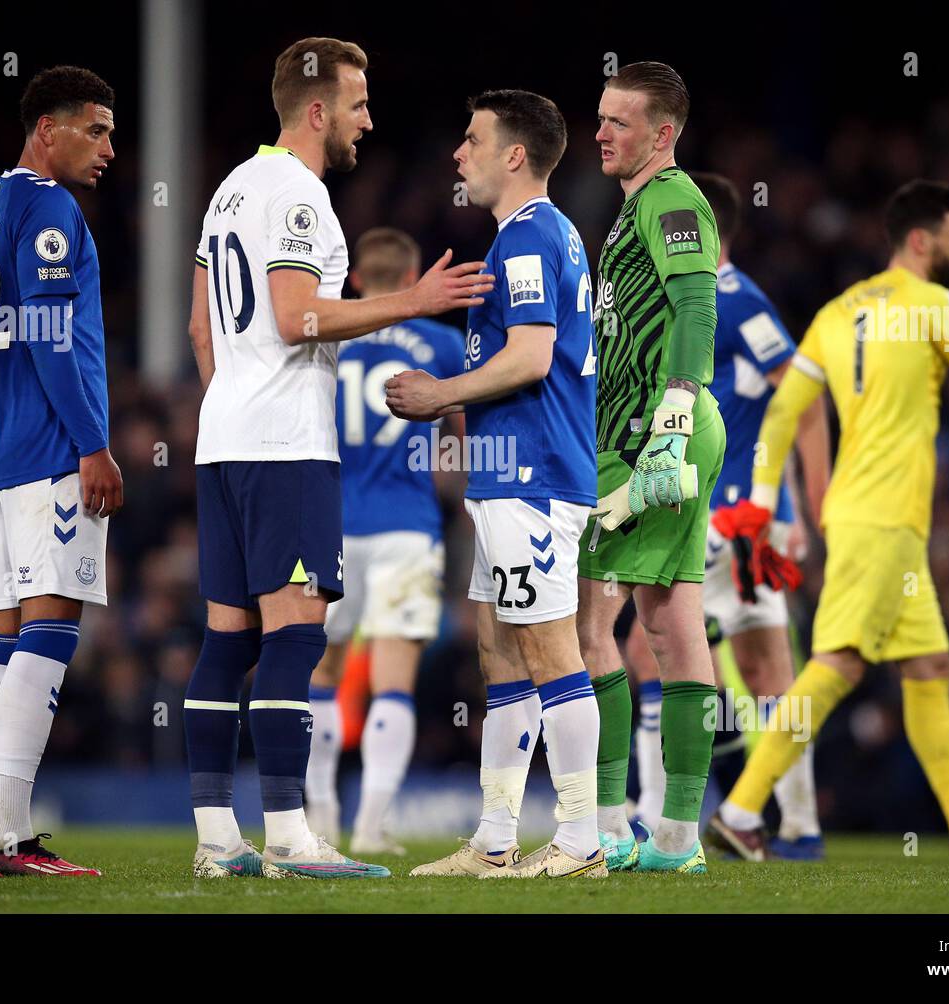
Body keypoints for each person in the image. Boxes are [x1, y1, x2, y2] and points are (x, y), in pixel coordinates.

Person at [184, 37, 493, 879]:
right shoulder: (300, 194)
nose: (368, 119)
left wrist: (233, 404)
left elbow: (201, 331)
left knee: (226, 643)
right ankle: (290, 837)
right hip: (286, 450)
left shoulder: (226, 193)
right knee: (293, 639)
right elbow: (292, 316)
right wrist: (417, 301)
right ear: (317, 110)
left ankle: (219, 840)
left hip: (224, 444)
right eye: (358, 103)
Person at [706, 180, 949, 864]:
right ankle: (744, 810)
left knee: (929, 664)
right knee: (835, 663)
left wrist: (767, 496)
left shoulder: (840, 310)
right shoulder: (935, 305)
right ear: (921, 241)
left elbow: (785, 413)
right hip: (888, 519)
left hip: (860, 516)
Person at [390, 89, 602, 879]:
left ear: (515, 155)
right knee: (500, 655)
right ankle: (494, 840)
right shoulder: (547, 235)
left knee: (551, 653)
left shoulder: (526, 239)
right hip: (511, 477)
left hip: (534, 474)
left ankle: (580, 843)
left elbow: (534, 356)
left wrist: (440, 393)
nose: (458, 153)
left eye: (472, 138)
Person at [627, 171, 831, 860]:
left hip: (730, 518)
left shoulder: (731, 300)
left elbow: (804, 403)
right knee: (765, 669)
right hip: (746, 517)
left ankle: (651, 816)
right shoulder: (711, 300)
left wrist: (804, 505)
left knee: (648, 650)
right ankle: (797, 826)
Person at [0, 65, 123, 877]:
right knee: (50, 632)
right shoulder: (49, 209)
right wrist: (92, 442)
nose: (110, 149)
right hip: (51, 451)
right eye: (96, 129)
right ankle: (10, 839)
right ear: (47, 129)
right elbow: (56, 338)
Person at [576, 62, 725, 874]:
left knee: (584, 619)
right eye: (600, 119)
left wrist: (668, 420)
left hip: (652, 430)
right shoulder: (638, 204)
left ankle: (603, 823)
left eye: (618, 122)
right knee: (669, 624)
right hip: (659, 426)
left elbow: (700, 303)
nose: (600, 132)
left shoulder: (670, 199)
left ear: (662, 135)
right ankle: (674, 838)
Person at [304, 226, 465, 854]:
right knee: (393, 679)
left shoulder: (331, 335)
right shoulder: (442, 342)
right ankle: (373, 822)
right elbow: (463, 423)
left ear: (355, 281)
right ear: (415, 274)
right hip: (407, 525)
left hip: (329, 523)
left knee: (320, 671)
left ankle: (318, 813)